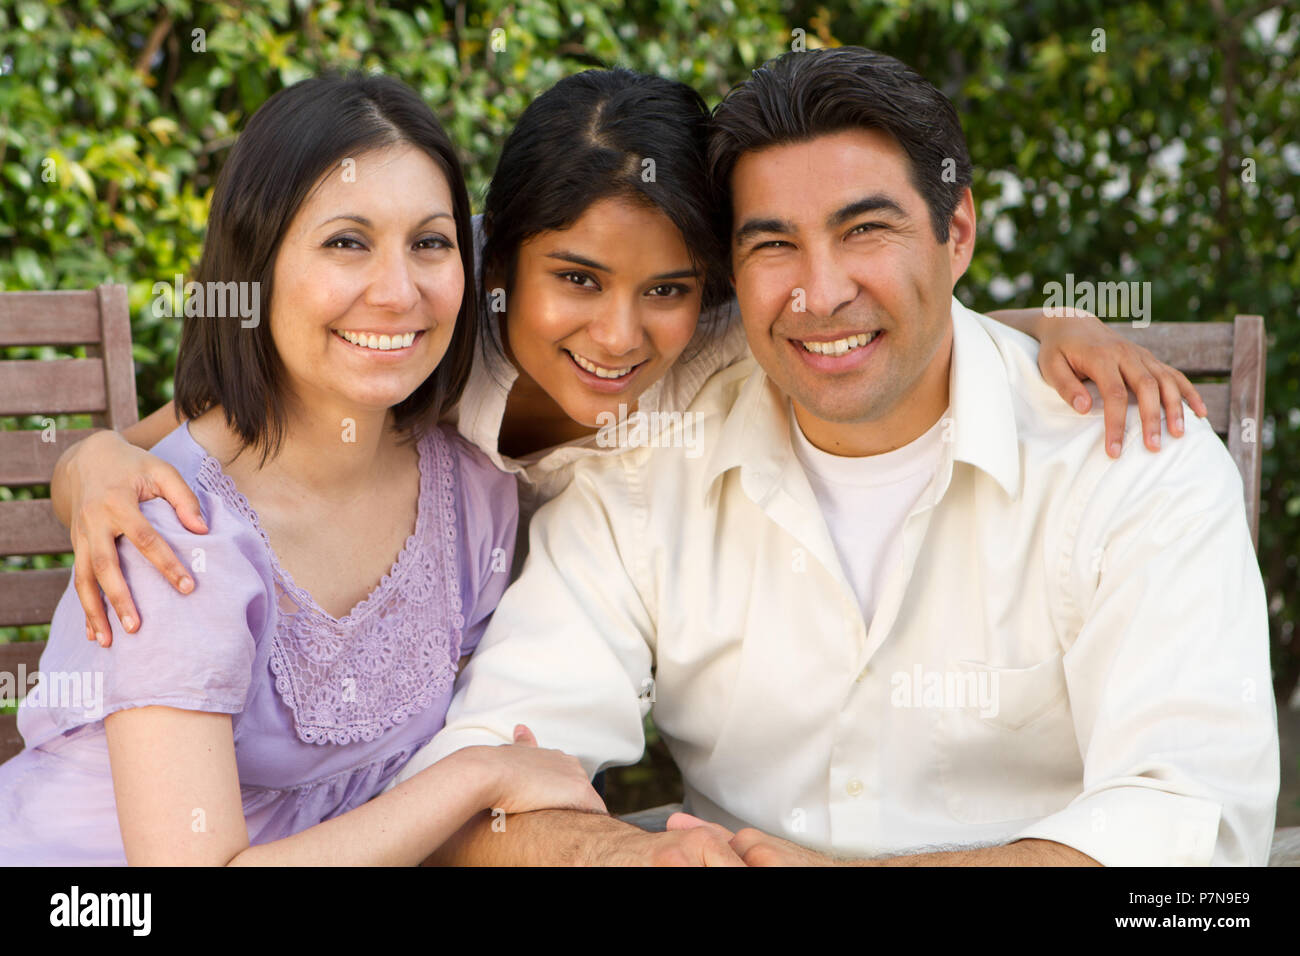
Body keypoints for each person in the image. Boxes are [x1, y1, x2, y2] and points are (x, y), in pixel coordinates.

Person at [401, 48, 1279, 866]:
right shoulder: (643, 464)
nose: (819, 294)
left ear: (958, 231)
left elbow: (1196, 835)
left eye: (865, 231)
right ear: (734, 278)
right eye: (773, 244)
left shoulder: (1132, 462)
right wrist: (635, 856)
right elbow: (482, 782)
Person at [49, 68, 1206, 647]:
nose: (618, 336)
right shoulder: (429, 350)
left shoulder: (714, 349)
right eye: (578, 281)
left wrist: (1055, 328)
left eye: (666, 290)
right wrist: (88, 462)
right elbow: (182, 425)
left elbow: (868, 320)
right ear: (500, 262)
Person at [0, 73, 602, 865]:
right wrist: (481, 776)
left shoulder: (471, 488)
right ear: (257, 266)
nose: (398, 292)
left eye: (430, 242)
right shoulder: (173, 535)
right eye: (346, 242)